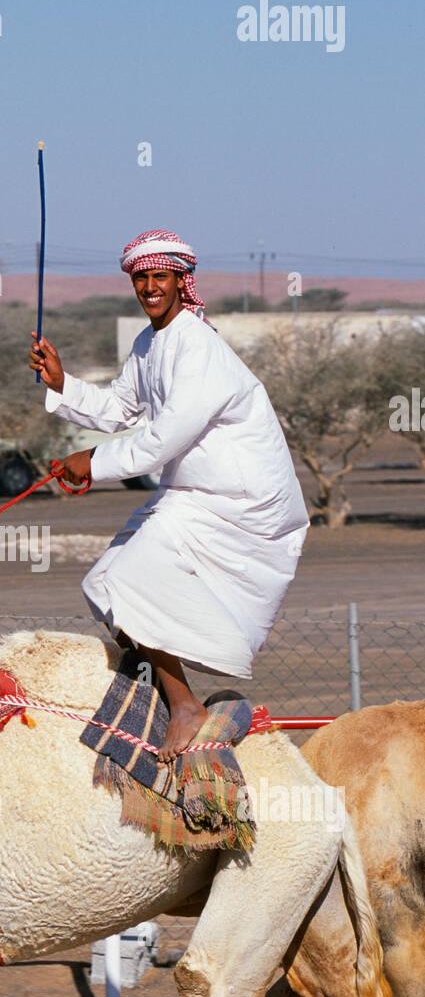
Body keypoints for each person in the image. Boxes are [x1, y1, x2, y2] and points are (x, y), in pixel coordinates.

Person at [28, 229, 309, 763]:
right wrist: (63, 383)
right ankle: (159, 692)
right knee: (102, 584)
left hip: (237, 496)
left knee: (133, 581)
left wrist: (92, 462)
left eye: (160, 276)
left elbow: (162, 440)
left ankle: (185, 707)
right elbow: (119, 410)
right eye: (141, 277)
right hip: (191, 490)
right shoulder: (150, 342)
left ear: (183, 281)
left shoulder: (197, 345)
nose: (150, 287)